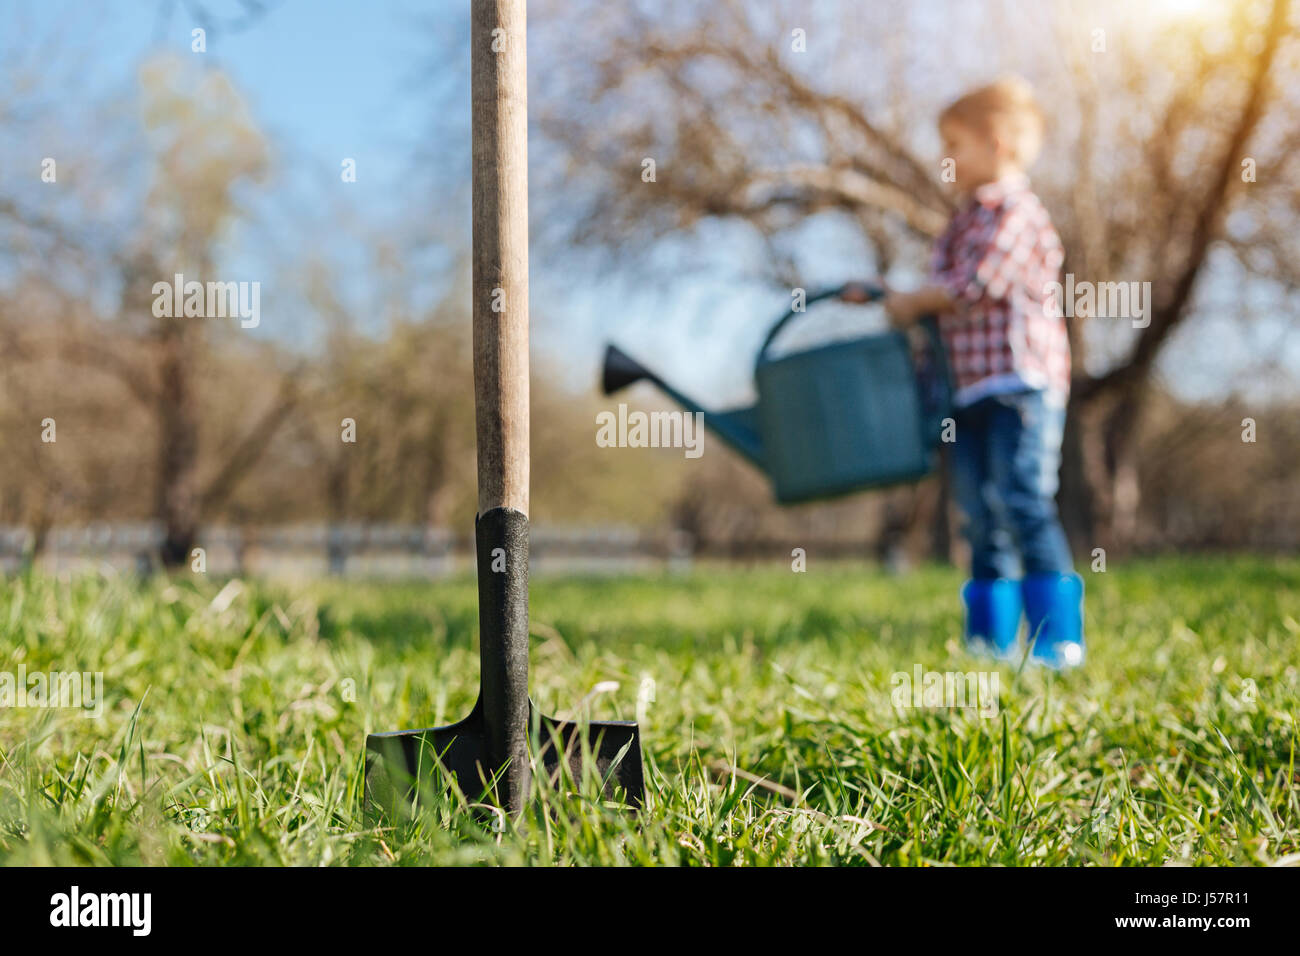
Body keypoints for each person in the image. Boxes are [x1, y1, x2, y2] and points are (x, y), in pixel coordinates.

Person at [842, 77, 1084, 669]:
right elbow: (940, 296)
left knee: (1022, 500)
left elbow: (974, 288)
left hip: (1019, 386)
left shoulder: (1017, 212)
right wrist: (889, 297)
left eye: (954, 144)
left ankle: (1058, 642)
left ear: (995, 142)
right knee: (976, 515)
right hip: (970, 391)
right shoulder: (961, 222)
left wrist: (916, 301)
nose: (945, 158)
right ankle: (990, 643)